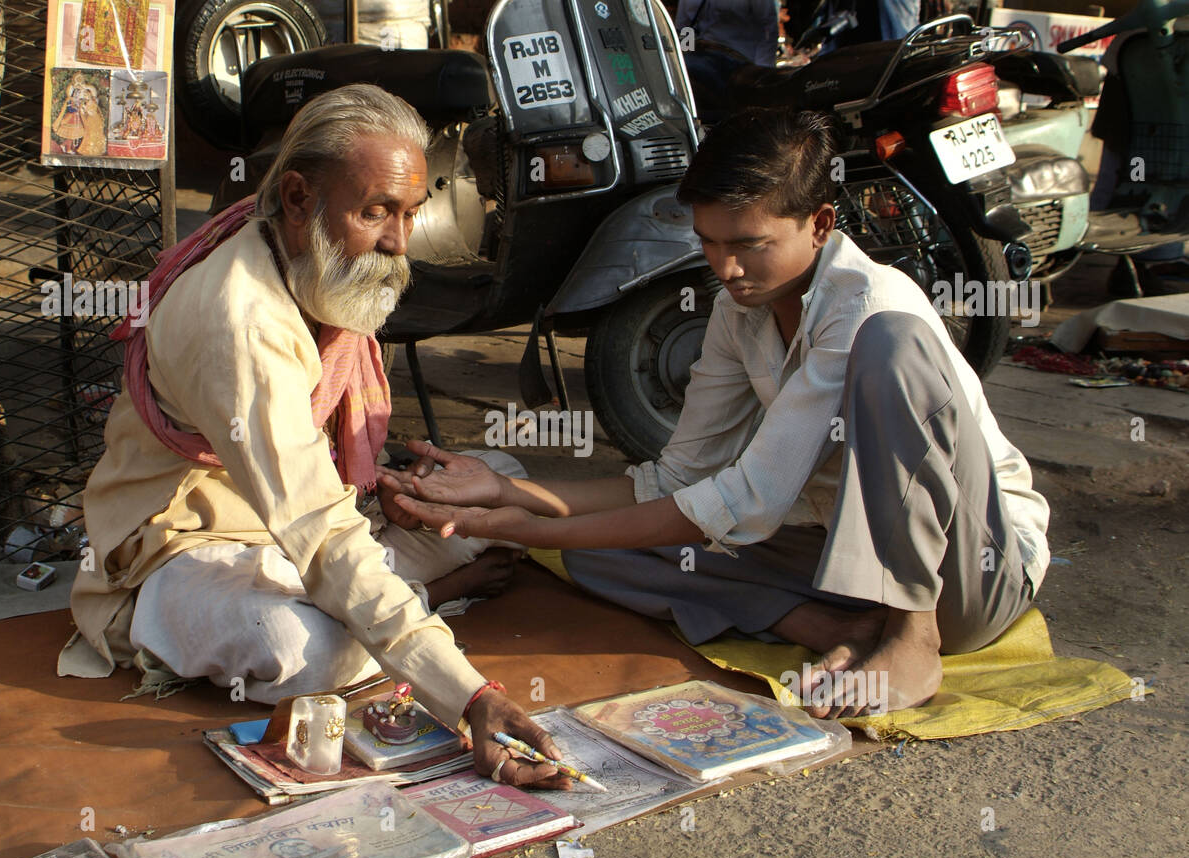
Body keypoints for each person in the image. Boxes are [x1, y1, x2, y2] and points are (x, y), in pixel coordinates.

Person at [386, 108, 1051, 719]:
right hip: (846, 566)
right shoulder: (741, 309)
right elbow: (675, 479)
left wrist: (526, 529)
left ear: (820, 224)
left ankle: (912, 636)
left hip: (972, 578)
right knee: (604, 555)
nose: (727, 268)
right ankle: (834, 629)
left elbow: (749, 500)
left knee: (893, 348)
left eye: (750, 243)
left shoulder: (869, 303)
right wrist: (507, 492)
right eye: (709, 242)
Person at [63, 84, 567, 790]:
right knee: (311, 648)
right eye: (376, 213)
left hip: (309, 518)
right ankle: (417, 598)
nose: (397, 242)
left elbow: (325, 478)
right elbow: (317, 526)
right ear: (297, 198)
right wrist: (470, 696)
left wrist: (394, 486)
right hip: (189, 545)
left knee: (495, 479)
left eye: (409, 215)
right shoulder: (241, 320)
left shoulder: (309, 254)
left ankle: (395, 597)